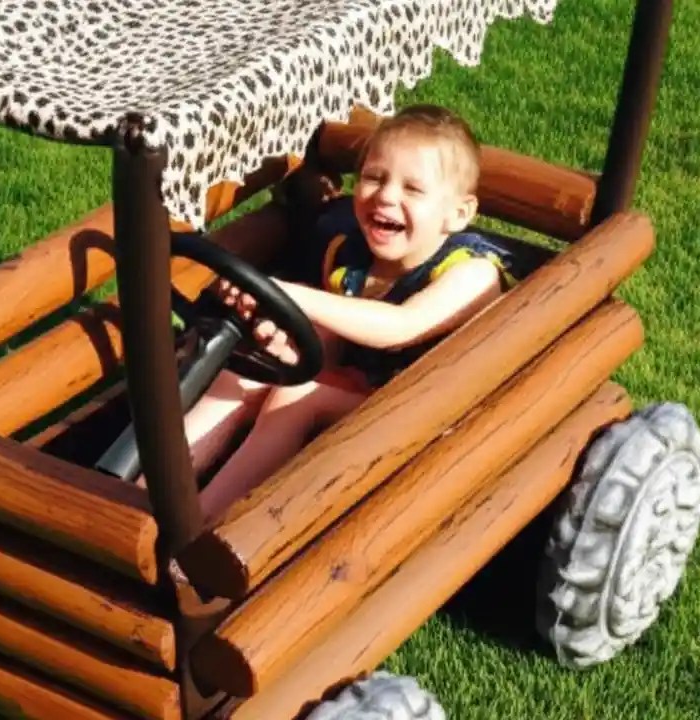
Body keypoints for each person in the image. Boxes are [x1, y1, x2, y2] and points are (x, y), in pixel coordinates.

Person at [182, 104, 517, 522]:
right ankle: (144, 496)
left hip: (434, 419)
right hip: (367, 390)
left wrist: (288, 294)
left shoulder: (472, 273)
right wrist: (287, 344)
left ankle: (201, 524)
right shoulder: (351, 254)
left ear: (458, 213)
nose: (386, 196)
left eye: (413, 189)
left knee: (296, 398)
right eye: (374, 177)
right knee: (251, 373)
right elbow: (336, 332)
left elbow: (400, 327)